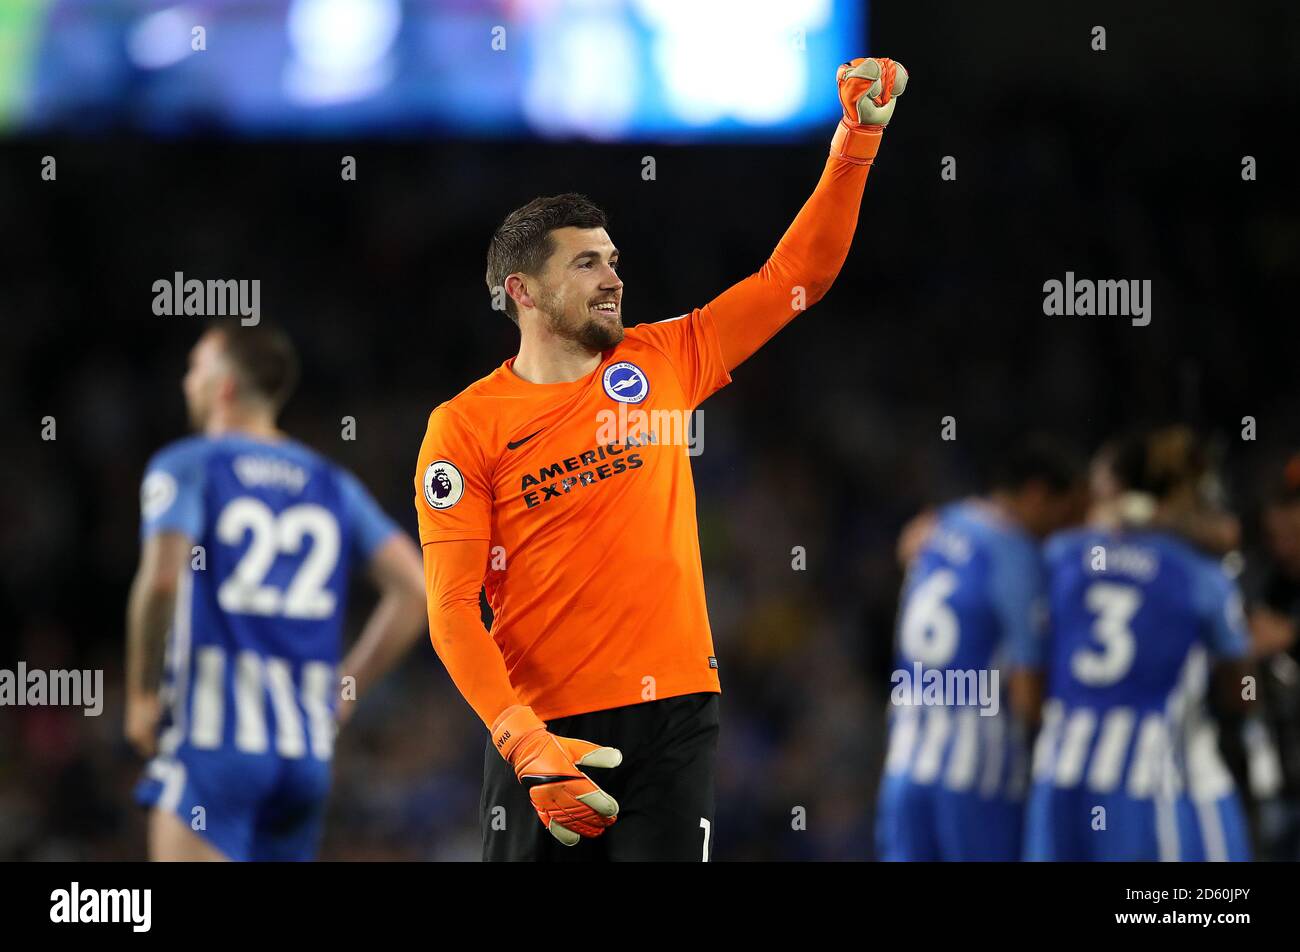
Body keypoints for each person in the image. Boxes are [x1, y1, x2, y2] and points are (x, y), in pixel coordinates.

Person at [414, 57, 908, 860]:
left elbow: (797, 278)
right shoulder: (465, 427)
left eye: (612, 259)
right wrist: (522, 740)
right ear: (523, 292)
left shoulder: (667, 358)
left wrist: (856, 140)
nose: (613, 278)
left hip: (678, 713)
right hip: (542, 726)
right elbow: (450, 609)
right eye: (587, 264)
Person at [127, 323, 426, 861]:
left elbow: (163, 579)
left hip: (215, 744)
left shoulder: (190, 464)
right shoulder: (333, 483)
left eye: (195, 367)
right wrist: (348, 688)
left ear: (223, 387)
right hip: (303, 755)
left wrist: (141, 694)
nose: (185, 381)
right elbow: (414, 589)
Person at [1025, 427, 1252, 861]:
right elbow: (1241, 691)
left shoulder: (1062, 555)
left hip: (1058, 769)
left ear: (1120, 490)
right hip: (1147, 780)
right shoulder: (1198, 573)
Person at [876, 438, 1082, 860]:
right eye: (1066, 511)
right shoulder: (1017, 556)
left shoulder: (940, 525)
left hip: (904, 765)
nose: (1067, 526)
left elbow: (906, 547)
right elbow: (1027, 697)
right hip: (979, 777)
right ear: (1037, 494)